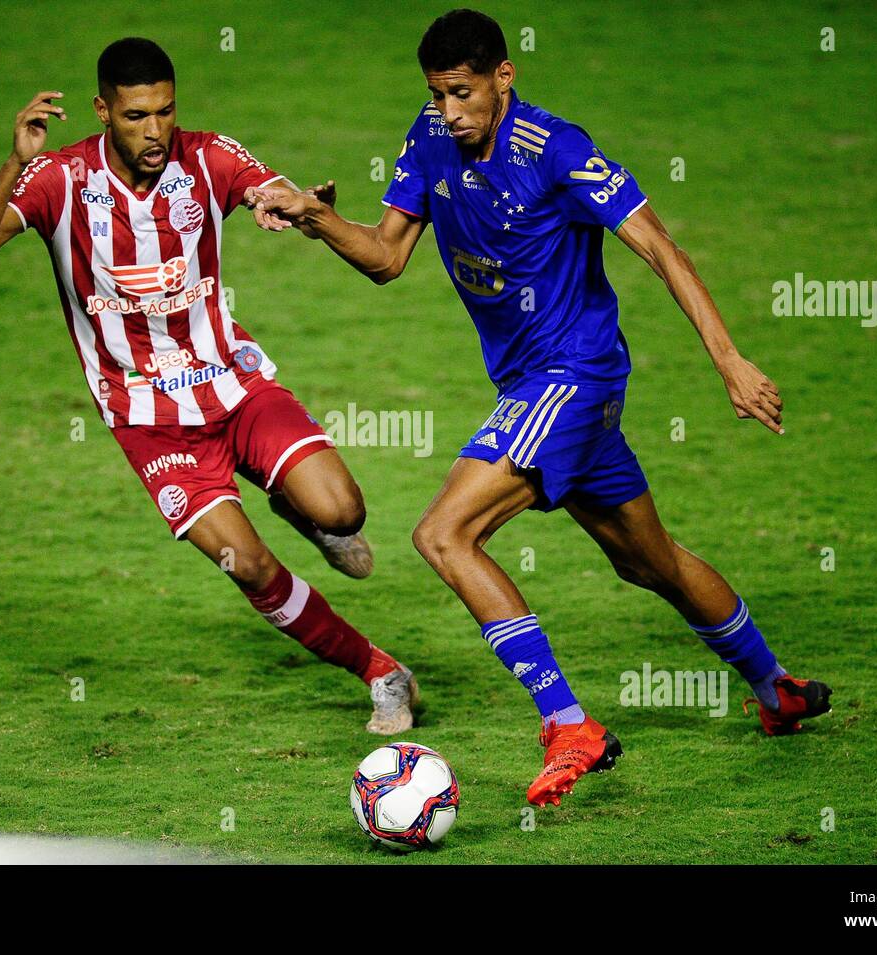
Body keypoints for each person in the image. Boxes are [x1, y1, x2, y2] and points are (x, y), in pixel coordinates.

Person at [254, 9, 831, 806]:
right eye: (436, 94)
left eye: (462, 93)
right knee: (648, 561)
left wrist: (729, 359)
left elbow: (661, 247)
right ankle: (778, 689)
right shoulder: (429, 134)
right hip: (542, 387)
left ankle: (568, 724)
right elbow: (386, 256)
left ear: (504, 76)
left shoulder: (556, 148)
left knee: (443, 532)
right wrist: (318, 218)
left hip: (572, 376)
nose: (450, 112)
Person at [0, 37, 419, 735]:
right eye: (137, 115)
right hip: (150, 424)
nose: (155, 131)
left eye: (166, 112)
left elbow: (265, 185)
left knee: (346, 511)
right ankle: (382, 671)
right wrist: (15, 163)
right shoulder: (58, 179)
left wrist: (291, 206)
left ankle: (306, 513)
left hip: (234, 387)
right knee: (252, 567)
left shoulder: (206, 157)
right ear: (103, 110)